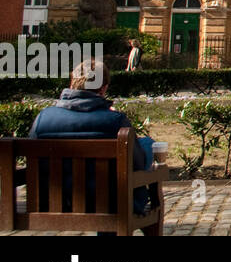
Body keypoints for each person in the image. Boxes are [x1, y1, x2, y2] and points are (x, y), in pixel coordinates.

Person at [29, 58, 156, 217]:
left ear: (72, 83)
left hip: (52, 203)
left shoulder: (43, 118)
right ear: (103, 89)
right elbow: (137, 163)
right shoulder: (115, 122)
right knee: (147, 144)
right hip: (112, 204)